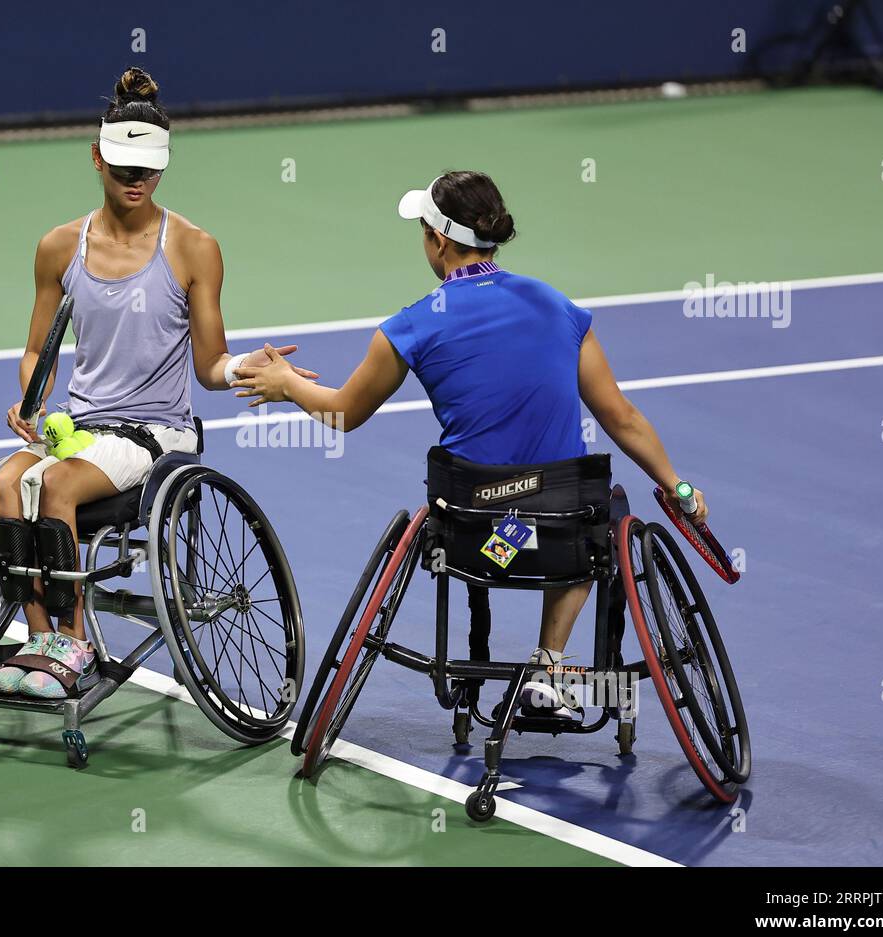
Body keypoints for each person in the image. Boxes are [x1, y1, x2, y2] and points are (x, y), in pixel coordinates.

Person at [232, 169, 707, 718]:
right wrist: (680, 488)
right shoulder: (555, 306)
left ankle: (527, 664)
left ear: (437, 240)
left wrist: (287, 384)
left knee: (508, 506)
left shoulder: (409, 327)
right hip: (561, 543)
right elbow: (621, 418)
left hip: (477, 546)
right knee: (600, 509)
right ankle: (550, 665)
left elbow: (344, 413)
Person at [0, 68, 313, 698]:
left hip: (157, 433)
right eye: (123, 168)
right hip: (80, 426)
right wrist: (32, 398)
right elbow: (39, 350)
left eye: (148, 170)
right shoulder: (60, 247)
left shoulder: (194, 248)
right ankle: (38, 638)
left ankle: (73, 643)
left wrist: (252, 370)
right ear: (95, 158)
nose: (136, 182)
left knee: (53, 485)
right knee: (7, 484)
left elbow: (210, 365)